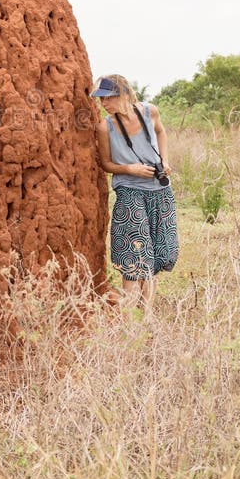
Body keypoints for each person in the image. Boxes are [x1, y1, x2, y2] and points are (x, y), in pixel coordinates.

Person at [91, 74, 179, 311]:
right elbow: (105, 164)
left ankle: (146, 316)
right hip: (129, 192)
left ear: (125, 94)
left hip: (160, 191)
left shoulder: (150, 111)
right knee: (133, 252)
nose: (104, 104)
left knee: (159, 252)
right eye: (101, 100)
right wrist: (129, 169)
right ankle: (130, 318)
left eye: (108, 98)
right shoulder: (104, 126)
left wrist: (165, 159)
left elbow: (161, 132)